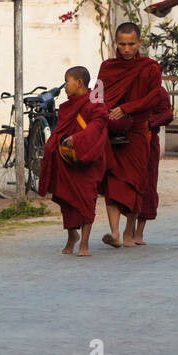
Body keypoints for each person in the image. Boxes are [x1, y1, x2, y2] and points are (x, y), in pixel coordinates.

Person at [98, 23, 164, 249]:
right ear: (116, 43)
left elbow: (153, 97)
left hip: (137, 131)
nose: (127, 49)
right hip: (113, 129)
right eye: (122, 44)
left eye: (131, 44)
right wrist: (106, 112)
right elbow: (98, 96)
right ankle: (115, 232)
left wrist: (127, 108)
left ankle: (129, 232)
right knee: (113, 181)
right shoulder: (107, 67)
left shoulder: (150, 67)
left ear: (139, 43)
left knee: (137, 182)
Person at [38, 66, 108, 257]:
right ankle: (72, 236)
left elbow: (96, 126)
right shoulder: (68, 107)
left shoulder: (95, 104)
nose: (65, 86)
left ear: (79, 83)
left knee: (86, 200)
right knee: (68, 200)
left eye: (67, 81)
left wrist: (78, 139)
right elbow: (60, 131)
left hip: (88, 159)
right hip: (66, 159)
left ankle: (84, 243)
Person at [133, 86, 174, 245]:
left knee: (148, 185)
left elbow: (167, 114)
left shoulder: (159, 92)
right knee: (129, 184)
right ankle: (126, 231)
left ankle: (139, 232)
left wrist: (149, 123)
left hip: (149, 142)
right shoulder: (131, 87)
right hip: (130, 142)